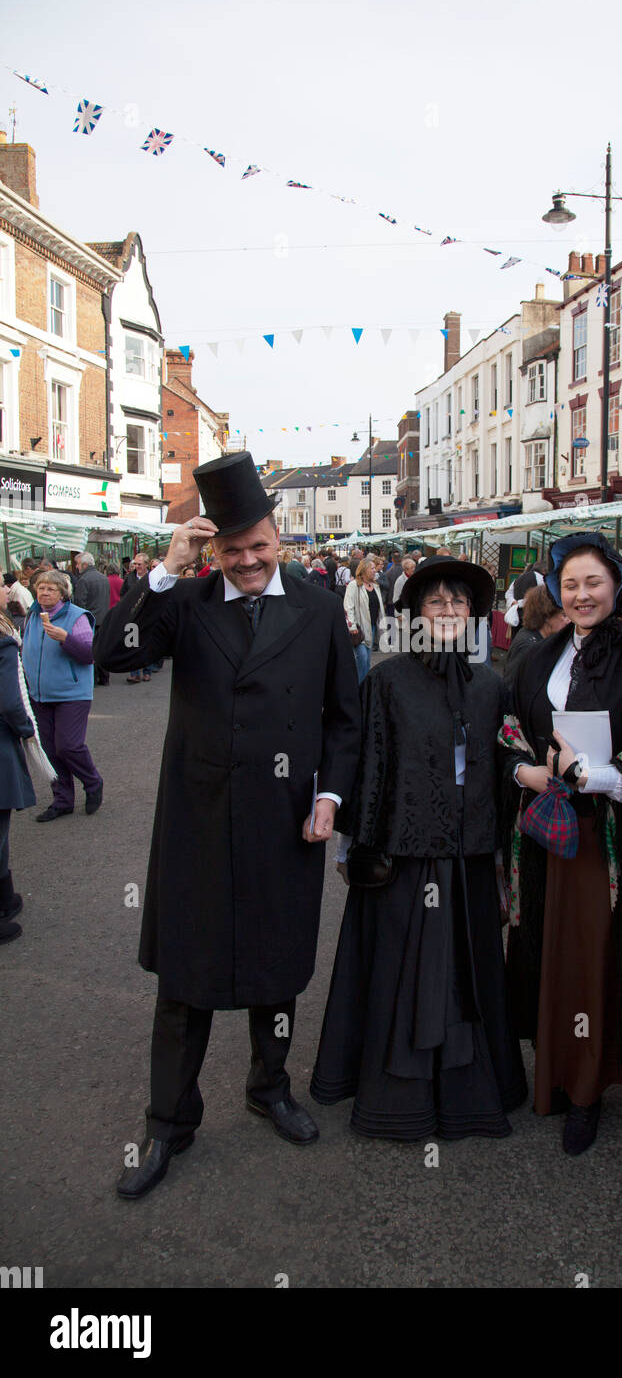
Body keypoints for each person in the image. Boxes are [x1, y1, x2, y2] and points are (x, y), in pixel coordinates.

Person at [94, 451, 361, 1199]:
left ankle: (268, 1087)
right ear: (212, 549)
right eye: (230, 550)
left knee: (275, 971)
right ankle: (167, 1123)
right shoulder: (187, 600)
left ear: (280, 538)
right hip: (199, 819)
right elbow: (116, 654)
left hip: (284, 819)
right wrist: (164, 570)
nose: (246, 561)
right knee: (186, 979)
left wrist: (332, 798)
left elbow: (345, 718)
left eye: (258, 546)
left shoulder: (316, 606)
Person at [311, 556, 527, 1138]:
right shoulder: (386, 680)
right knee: (402, 974)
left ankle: (469, 1090)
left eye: (459, 602)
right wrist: (356, 846)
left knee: (468, 975)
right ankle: (399, 1094)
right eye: (436, 602)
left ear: (475, 614)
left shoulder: (489, 684)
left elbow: (502, 759)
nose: (449, 611)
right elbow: (368, 763)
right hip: (405, 858)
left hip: (470, 855)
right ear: (416, 613)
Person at [502, 532, 622, 1156]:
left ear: (617, 586)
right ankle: (555, 1078)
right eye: (570, 584)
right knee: (547, 947)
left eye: (593, 582)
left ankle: (588, 1089)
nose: (581, 594)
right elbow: (508, 731)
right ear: (556, 592)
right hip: (544, 827)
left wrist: (591, 776)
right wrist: (527, 773)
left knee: (592, 957)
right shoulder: (539, 658)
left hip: (603, 837)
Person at [20, 570, 103, 822]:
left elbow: (90, 655)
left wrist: (65, 638)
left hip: (71, 693)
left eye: (51, 589)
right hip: (40, 694)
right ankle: (63, 800)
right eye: (41, 588)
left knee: (68, 745)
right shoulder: (32, 615)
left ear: (62, 593)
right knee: (50, 750)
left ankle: (92, 782)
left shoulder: (76, 616)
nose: (44, 592)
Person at [0, 577, 52, 944]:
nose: (7, 589)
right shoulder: (4, 639)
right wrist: (25, 729)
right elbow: (8, 701)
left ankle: (6, 898)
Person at [501, 584, 567, 686]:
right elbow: (511, 687)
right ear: (547, 615)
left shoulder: (540, 638)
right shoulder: (528, 647)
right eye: (564, 615)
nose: (569, 621)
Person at [344, 556, 385, 685]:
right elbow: (348, 606)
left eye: (375, 568)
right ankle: (358, 686)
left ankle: (363, 686)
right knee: (362, 657)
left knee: (367, 660)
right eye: (372, 568)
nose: (375, 571)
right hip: (358, 629)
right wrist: (351, 626)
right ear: (364, 570)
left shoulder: (375, 586)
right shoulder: (354, 585)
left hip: (371, 627)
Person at [73, 553, 111, 686]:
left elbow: (79, 603)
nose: (76, 567)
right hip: (103, 618)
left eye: (77, 564)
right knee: (102, 648)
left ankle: (93, 679)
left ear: (84, 564)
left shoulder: (83, 580)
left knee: (92, 650)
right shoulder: (103, 578)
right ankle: (105, 677)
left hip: (90, 620)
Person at [122, 553, 153, 683]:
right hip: (132, 615)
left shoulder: (153, 577)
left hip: (148, 614)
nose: (137, 566)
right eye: (135, 564)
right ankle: (134, 673)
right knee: (132, 644)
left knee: (146, 643)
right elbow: (123, 594)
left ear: (146, 564)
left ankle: (147, 671)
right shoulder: (129, 577)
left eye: (139, 564)